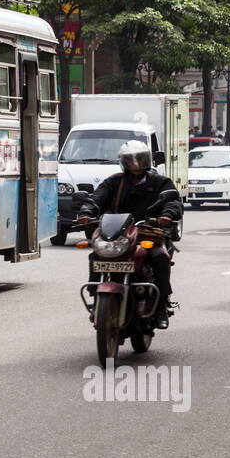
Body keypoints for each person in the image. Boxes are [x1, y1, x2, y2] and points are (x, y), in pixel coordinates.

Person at [76, 140, 182, 330]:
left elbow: (172, 200)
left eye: (139, 158)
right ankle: (97, 298)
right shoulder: (114, 181)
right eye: (130, 160)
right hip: (119, 233)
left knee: (159, 257)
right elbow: (96, 198)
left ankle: (161, 306)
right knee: (97, 255)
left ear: (147, 159)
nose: (136, 164)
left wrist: (167, 215)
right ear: (123, 161)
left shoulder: (160, 182)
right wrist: (86, 212)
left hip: (148, 231)